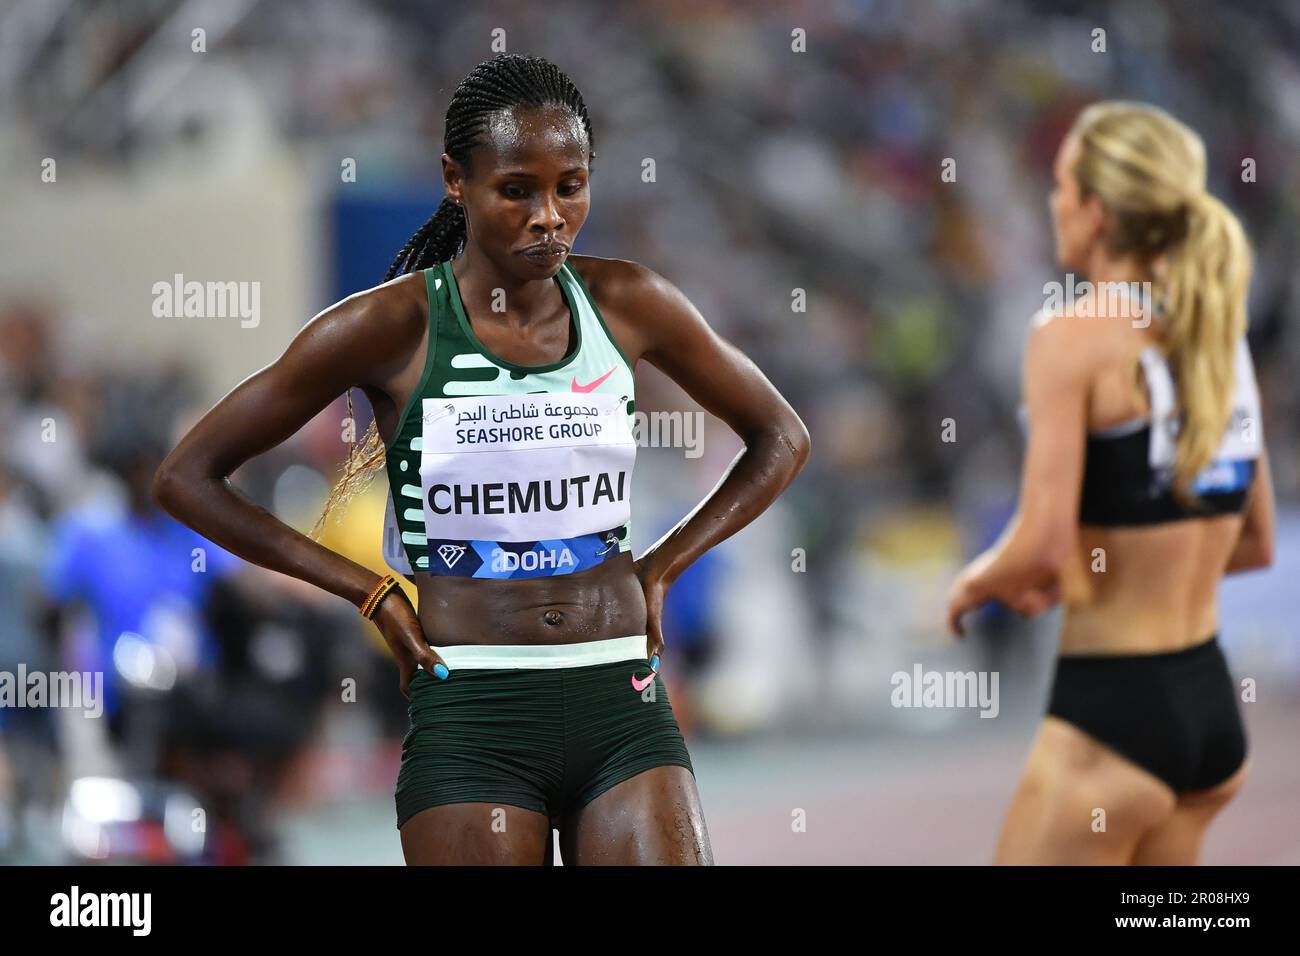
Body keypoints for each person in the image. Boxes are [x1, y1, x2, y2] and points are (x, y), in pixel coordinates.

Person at [153, 53, 811, 865]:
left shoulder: (631, 304)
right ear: (455, 182)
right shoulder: (390, 326)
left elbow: (781, 436)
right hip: (472, 711)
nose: (549, 216)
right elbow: (187, 476)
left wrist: (665, 566)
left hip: (620, 700)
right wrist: (366, 591)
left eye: (571, 185)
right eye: (517, 190)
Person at [945, 100, 1275, 865]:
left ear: (1095, 212)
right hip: (1209, 714)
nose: (1053, 201)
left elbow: (1043, 537)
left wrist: (978, 580)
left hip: (1114, 714)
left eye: (1062, 184)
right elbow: (1254, 543)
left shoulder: (1070, 336)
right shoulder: (1218, 336)